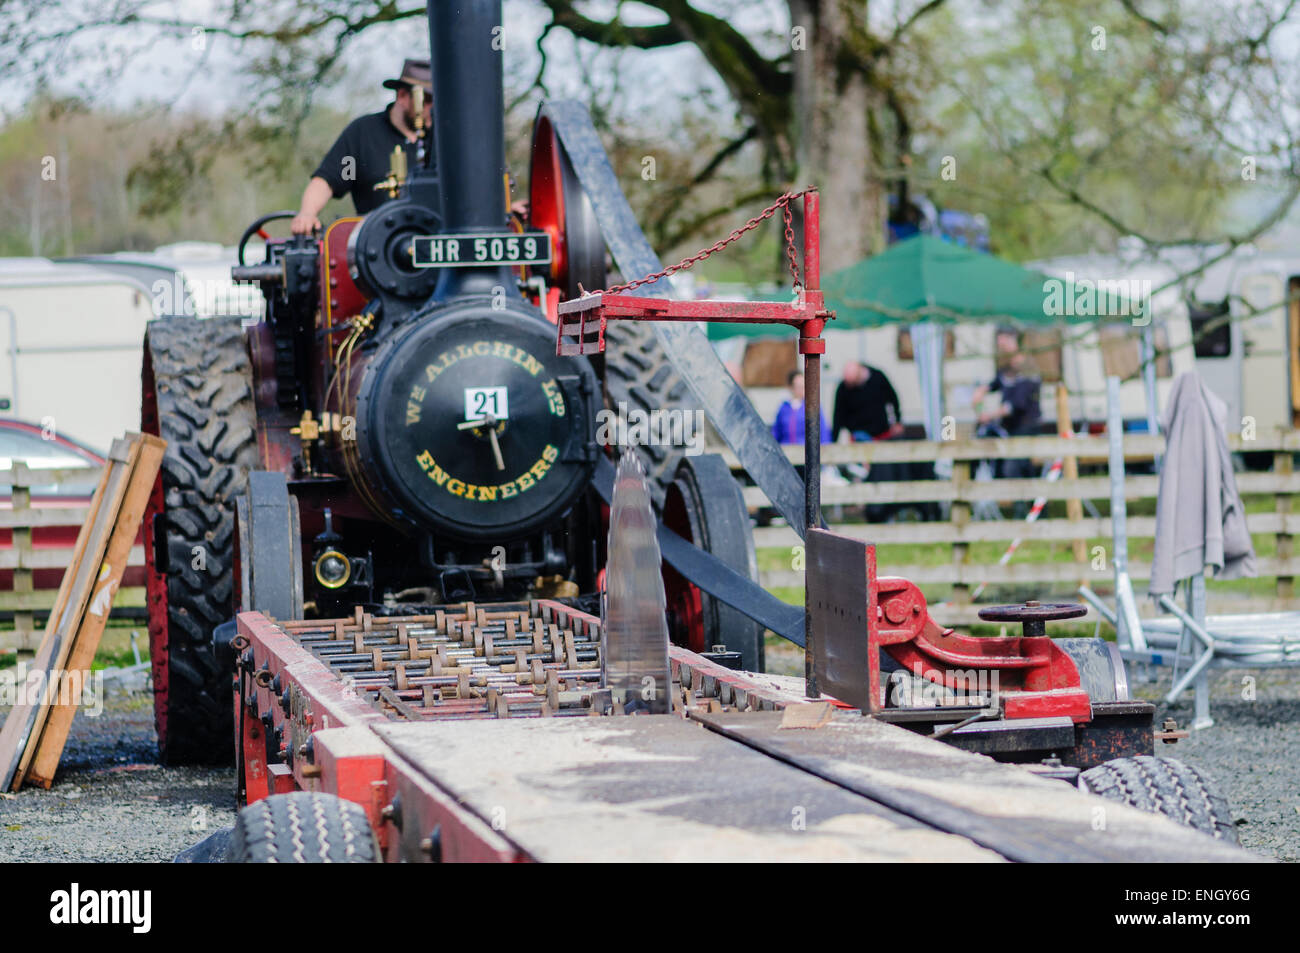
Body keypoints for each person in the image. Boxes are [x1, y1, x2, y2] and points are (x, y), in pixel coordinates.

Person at [291, 59, 435, 235]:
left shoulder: (441, 139)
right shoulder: (363, 135)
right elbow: (329, 180)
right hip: (375, 246)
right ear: (403, 96)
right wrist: (307, 213)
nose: (432, 108)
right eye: (426, 100)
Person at [972, 331, 1042, 480]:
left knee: (1014, 467)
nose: (1001, 349)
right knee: (1001, 466)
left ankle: (1028, 503)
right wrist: (980, 392)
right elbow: (994, 384)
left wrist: (989, 415)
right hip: (1009, 429)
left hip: (1026, 427)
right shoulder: (1006, 369)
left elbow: (1016, 405)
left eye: (1003, 344)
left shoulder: (1028, 369)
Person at [831, 361, 904, 442]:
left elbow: (893, 399)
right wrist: (834, 440)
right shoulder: (843, 388)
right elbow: (838, 415)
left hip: (882, 432)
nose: (850, 386)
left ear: (859, 374)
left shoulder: (878, 378)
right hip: (859, 434)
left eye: (853, 383)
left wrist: (897, 421)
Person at [772, 370, 831, 446]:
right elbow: (777, 432)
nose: (803, 390)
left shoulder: (812, 406)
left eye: (804, 386)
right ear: (791, 387)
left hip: (805, 450)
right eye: (799, 386)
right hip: (787, 450)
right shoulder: (784, 408)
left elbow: (823, 431)